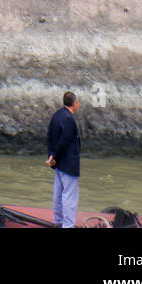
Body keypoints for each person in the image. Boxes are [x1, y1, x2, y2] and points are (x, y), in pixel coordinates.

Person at [47, 91, 81, 229]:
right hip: (68, 162)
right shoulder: (69, 119)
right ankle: (68, 225)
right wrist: (55, 156)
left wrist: (51, 156)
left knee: (58, 193)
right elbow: (64, 141)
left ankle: (58, 220)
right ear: (75, 104)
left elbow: (50, 136)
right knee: (69, 196)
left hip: (58, 163)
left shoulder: (57, 115)